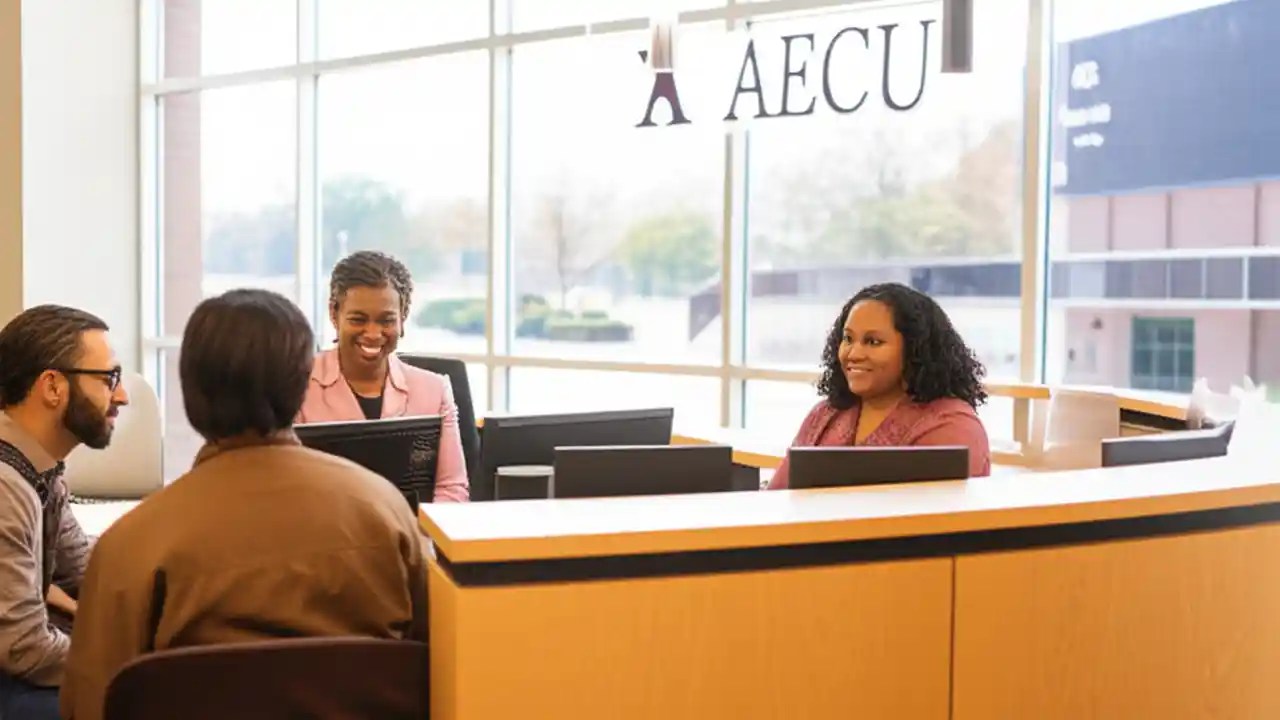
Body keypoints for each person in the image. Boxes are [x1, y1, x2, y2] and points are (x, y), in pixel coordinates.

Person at [62, 289, 430, 720]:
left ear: (191, 391)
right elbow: (437, 667)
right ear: (300, 385)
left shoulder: (132, 545)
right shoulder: (387, 514)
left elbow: (91, 705)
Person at [0, 305, 129, 720]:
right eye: (109, 378)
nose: (122, 396)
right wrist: (135, 663)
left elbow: (86, 569)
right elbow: (25, 650)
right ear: (52, 386)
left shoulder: (40, 470)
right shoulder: (5, 487)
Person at [768, 283, 990, 489]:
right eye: (848, 339)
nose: (853, 354)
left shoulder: (951, 426)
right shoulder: (825, 414)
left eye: (873, 342)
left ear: (915, 350)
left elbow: (930, 524)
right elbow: (776, 499)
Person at [298, 250, 469, 502]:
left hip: (414, 535)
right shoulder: (297, 384)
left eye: (386, 320)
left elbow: (452, 489)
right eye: (358, 319)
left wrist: (412, 538)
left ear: (403, 317)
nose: (373, 333)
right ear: (334, 314)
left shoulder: (434, 390)